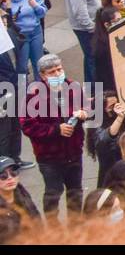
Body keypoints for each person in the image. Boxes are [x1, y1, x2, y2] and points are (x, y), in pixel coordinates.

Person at [19, 54, 87, 217]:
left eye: (59, 69)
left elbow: (87, 107)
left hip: (74, 152)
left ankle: (76, 228)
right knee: (53, 194)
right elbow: (28, 126)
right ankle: (53, 230)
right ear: (42, 75)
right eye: (52, 72)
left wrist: (85, 113)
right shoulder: (33, 96)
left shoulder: (73, 87)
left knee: (75, 193)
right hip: (50, 157)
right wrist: (56, 130)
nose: (57, 74)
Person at [0, 155, 41, 243]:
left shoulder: (21, 192)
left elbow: (36, 217)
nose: (10, 178)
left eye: (13, 172)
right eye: (3, 175)